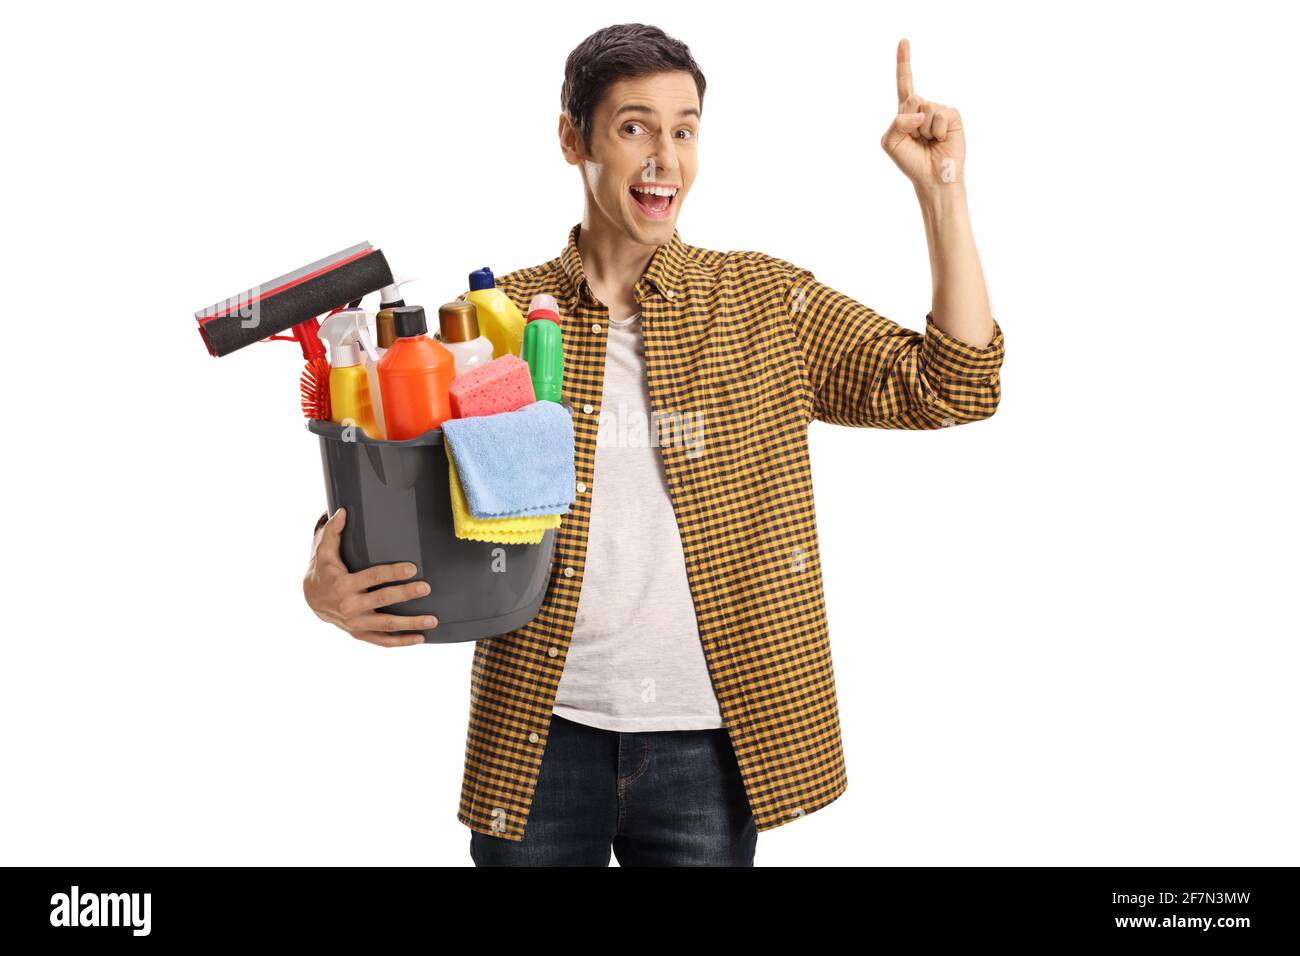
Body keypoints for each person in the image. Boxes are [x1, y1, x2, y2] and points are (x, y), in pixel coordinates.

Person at [303, 23, 1004, 866]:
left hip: (710, 747)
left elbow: (955, 384)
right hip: (538, 733)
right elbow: (398, 473)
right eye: (635, 126)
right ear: (573, 138)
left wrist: (943, 191)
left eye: (684, 128)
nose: (664, 158)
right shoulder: (494, 323)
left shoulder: (763, 302)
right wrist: (325, 573)